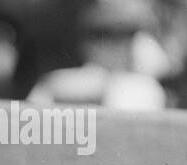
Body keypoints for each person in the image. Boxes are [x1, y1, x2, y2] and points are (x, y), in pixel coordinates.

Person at [27, 0, 166, 111]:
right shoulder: (55, 83)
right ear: (85, 42)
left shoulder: (145, 88)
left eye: (124, 34)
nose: (112, 45)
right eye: (102, 34)